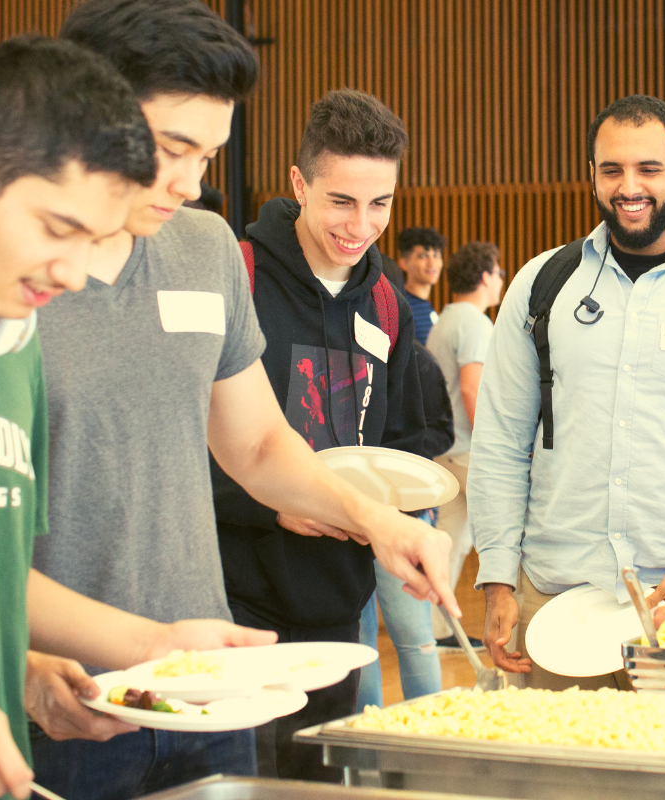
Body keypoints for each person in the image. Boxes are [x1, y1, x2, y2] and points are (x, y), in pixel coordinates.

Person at [28, 4, 457, 797]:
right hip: (60, 699)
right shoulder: (8, 271)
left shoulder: (201, 249)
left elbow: (258, 443)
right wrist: (15, 660)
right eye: (171, 150)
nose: (193, 183)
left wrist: (381, 522)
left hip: (207, 684)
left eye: (209, 155)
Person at [0, 34, 273, 800]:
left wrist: (48, 664)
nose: (74, 272)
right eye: (57, 229)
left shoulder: (9, 337)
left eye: (90, 240)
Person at [467, 94, 665, 690]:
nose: (628, 186)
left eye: (649, 169)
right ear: (591, 174)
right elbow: (502, 443)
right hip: (552, 604)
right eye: (611, 169)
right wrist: (499, 580)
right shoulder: (541, 286)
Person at [211, 88, 437, 781]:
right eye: (341, 200)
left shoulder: (386, 304)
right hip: (233, 602)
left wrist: (393, 509)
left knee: (318, 788)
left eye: (381, 204)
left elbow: (406, 439)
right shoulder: (239, 278)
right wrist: (272, 502)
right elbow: (178, 445)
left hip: (338, 607)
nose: (360, 226)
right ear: (299, 184)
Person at [357, 338, 453, 710]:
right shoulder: (340, 347)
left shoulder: (416, 359)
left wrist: (385, 457)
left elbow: (442, 431)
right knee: (359, 644)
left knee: (415, 637)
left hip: (403, 518)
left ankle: (429, 734)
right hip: (342, 522)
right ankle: (367, 740)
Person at [426, 242, 504, 649]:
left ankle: (436, 628)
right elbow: (472, 389)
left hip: (448, 446)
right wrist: (496, 447)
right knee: (510, 530)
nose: (502, 280)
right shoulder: (474, 323)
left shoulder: (445, 320)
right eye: (499, 272)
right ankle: (515, 623)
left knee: (452, 538)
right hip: (470, 448)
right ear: (485, 276)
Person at [397, 226, 446, 345]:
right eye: (423, 256)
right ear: (404, 263)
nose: (432, 263)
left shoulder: (426, 306)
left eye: (436, 255)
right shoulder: (402, 307)